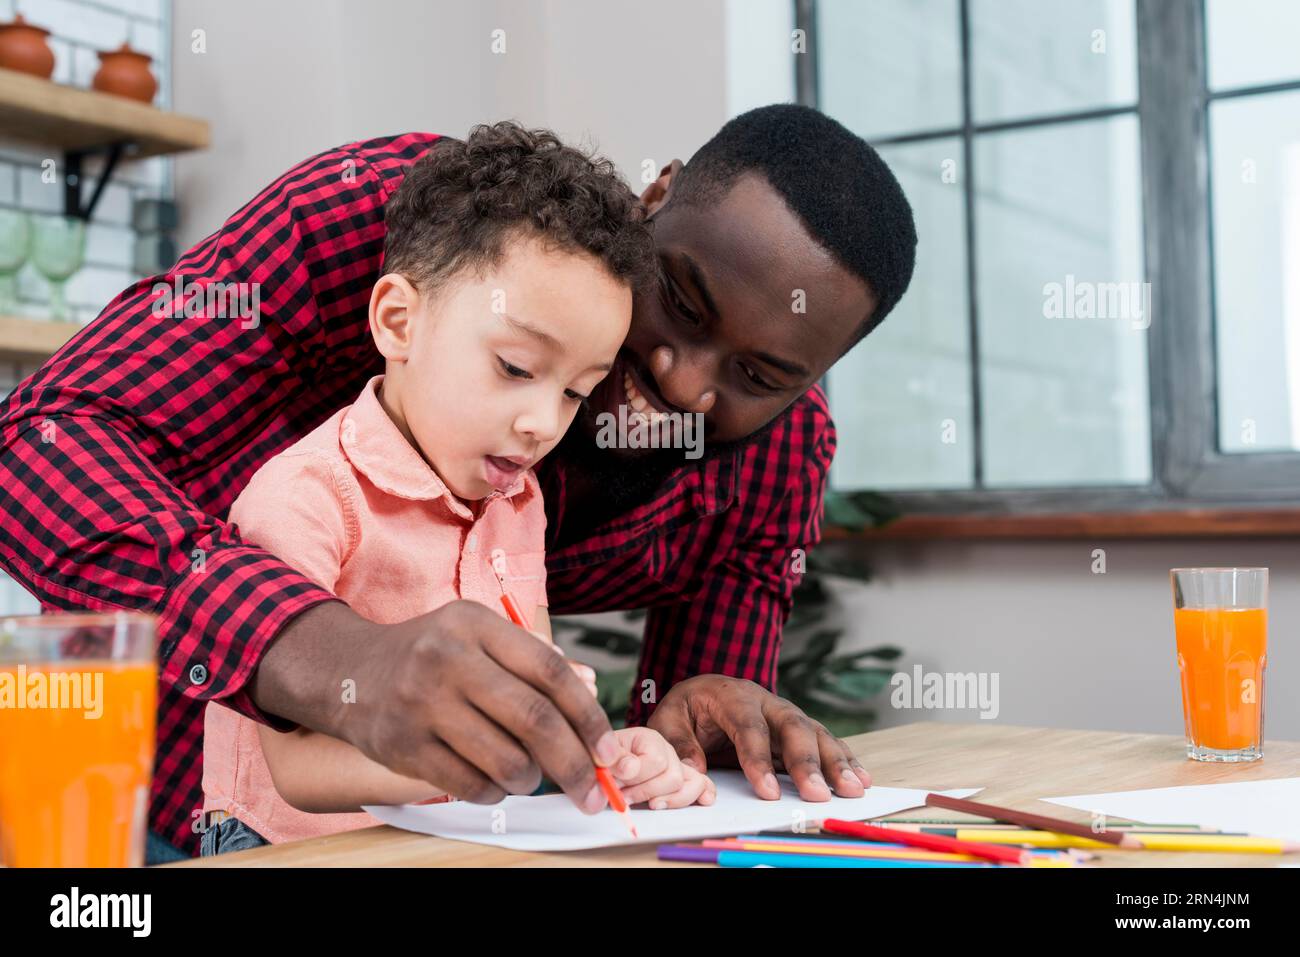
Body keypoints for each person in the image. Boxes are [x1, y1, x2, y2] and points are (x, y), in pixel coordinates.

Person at [0, 104, 916, 862]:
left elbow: (668, 796)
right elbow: (38, 447)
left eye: (757, 376)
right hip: (156, 807)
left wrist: (689, 734)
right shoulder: (409, 231)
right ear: (657, 196)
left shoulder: (777, 459)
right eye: (678, 296)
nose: (681, 382)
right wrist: (333, 655)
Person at [199, 123, 715, 854]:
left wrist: (613, 754)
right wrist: (491, 751)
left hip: (443, 835)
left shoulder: (518, 501)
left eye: (575, 392)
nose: (542, 423)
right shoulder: (303, 497)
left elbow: (535, 699)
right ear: (398, 321)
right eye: (514, 367)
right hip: (280, 842)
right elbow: (298, 769)